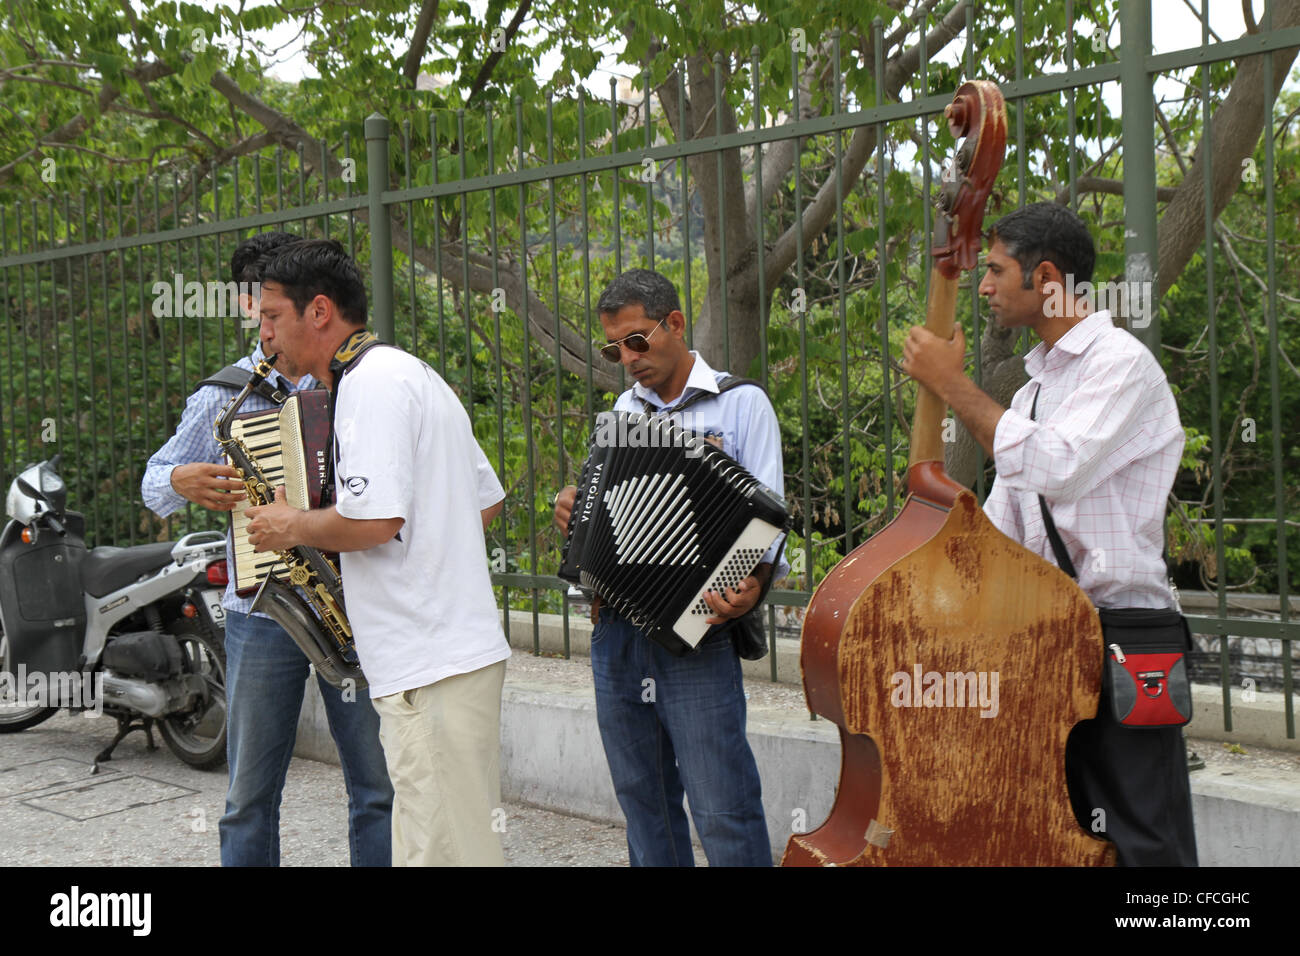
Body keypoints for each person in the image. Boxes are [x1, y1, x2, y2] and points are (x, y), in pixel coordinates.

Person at [900, 201, 1197, 866]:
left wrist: (953, 386)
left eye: (997, 270)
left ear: (1048, 278)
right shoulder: (1034, 392)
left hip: (1126, 634)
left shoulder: (1121, 364)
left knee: (1141, 832)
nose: (982, 285)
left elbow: (1055, 466)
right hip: (1045, 635)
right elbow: (1008, 524)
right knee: (1067, 826)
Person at [243, 239, 509, 867]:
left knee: (442, 853)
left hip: (429, 662)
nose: (264, 338)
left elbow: (378, 519)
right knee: (446, 845)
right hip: (441, 658)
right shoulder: (409, 373)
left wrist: (291, 526)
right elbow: (484, 501)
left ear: (319, 311)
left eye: (272, 318)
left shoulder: (367, 385)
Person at [143, 231, 394, 867]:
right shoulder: (224, 396)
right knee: (249, 795)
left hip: (357, 603)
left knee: (377, 787)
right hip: (262, 612)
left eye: (273, 305)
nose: (261, 319)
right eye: (255, 303)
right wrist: (180, 479)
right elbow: (154, 483)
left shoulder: (360, 382)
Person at [551, 268, 788, 867]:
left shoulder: (741, 404)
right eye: (613, 348)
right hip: (615, 633)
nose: (626, 358)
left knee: (722, 807)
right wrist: (573, 512)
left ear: (675, 324)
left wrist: (753, 583)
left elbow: (767, 525)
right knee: (644, 805)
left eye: (636, 340)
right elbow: (605, 514)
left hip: (698, 636)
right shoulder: (621, 412)